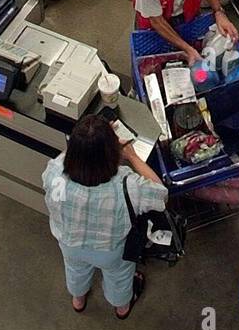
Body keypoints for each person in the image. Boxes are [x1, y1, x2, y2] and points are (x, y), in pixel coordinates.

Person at [42, 114, 167, 319]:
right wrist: (132, 156)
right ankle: (121, 308)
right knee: (119, 277)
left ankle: (78, 299)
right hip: (111, 250)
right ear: (111, 153)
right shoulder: (127, 186)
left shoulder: (55, 172)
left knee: (75, 269)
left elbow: (66, 159)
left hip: (69, 242)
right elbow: (161, 193)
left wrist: (89, 140)